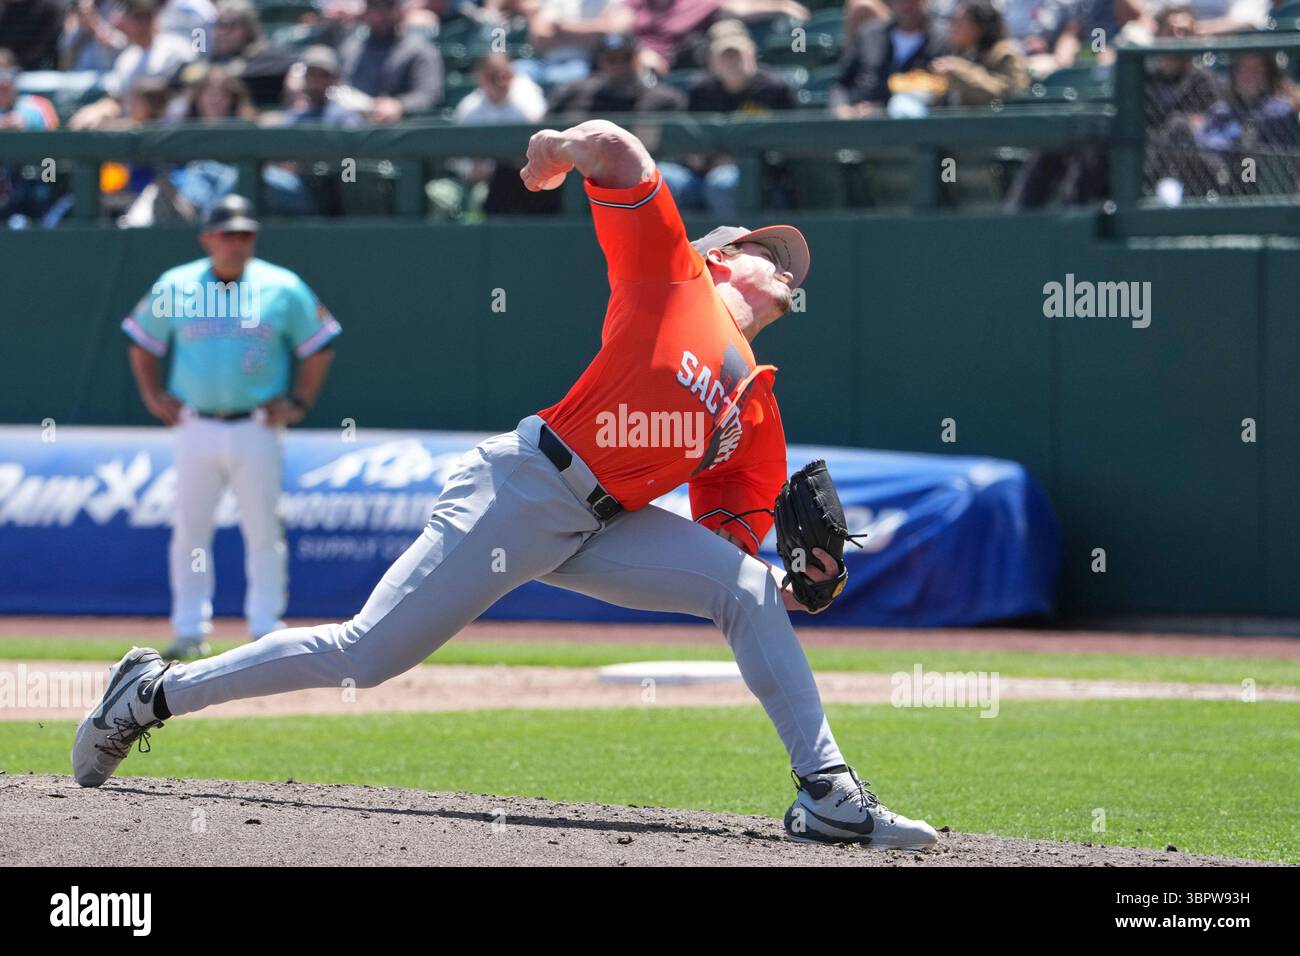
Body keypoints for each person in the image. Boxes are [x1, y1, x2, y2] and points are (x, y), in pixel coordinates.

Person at [73, 120, 939, 851]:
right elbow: (625, 155)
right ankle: (152, 692)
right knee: (365, 655)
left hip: (608, 524)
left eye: (796, 267)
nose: (789, 267)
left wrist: (805, 585)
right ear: (724, 255)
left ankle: (825, 793)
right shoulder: (674, 274)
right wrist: (561, 146)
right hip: (525, 488)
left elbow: (730, 549)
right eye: (770, 250)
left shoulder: (755, 404)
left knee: (747, 592)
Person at [114, 195, 342, 659]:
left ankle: (264, 629)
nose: (237, 243)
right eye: (228, 234)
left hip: (256, 424)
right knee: (191, 529)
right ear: (207, 238)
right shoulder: (176, 284)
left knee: (262, 529)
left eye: (245, 234)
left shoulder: (281, 285)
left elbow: (319, 345)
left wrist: (298, 401)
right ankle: (190, 630)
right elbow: (141, 342)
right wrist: (152, 395)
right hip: (195, 424)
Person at [659, 19, 795, 217]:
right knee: (664, 176)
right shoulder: (701, 90)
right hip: (703, 174)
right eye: (725, 56)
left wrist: (735, 159)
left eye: (737, 54)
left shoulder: (775, 88)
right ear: (712, 62)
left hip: (757, 179)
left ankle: (731, 247)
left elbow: (787, 144)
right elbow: (690, 141)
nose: (732, 62)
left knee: (721, 182)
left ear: (752, 53)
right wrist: (699, 158)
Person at [69, 0, 196, 130]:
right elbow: (115, 98)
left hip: (169, 128)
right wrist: (96, 110)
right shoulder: (127, 58)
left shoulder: (176, 49)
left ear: (156, 17)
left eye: (146, 17)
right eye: (135, 18)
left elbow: (188, 89)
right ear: (126, 21)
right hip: (133, 130)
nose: (141, 24)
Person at [829, 0, 948, 117]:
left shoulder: (943, 40)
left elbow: (946, 95)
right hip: (862, 124)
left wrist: (879, 110)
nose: (906, 6)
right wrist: (842, 108)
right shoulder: (870, 34)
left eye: (913, 1)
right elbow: (841, 84)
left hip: (919, 126)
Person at [339, 0, 444, 123]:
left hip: (403, 129)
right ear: (365, 12)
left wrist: (400, 105)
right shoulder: (351, 49)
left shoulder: (420, 50)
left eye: (388, 7)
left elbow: (429, 94)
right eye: (375, 8)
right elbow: (341, 88)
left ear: (399, 11)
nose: (380, 15)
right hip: (354, 127)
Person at [930, 0, 1028, 106]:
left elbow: (1005, 96)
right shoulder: (961, 52)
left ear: (979, 27)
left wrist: (959, 70)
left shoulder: (1005, 54)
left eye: (959, 22)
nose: (952, 27)